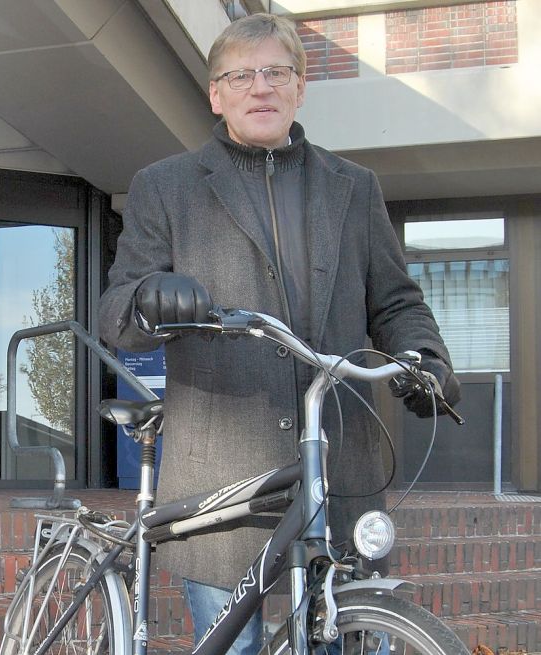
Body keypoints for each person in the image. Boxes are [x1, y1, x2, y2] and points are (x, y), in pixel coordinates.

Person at [98, 12, 460, 654]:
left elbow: (398, 301)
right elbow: (118, 313)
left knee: (336, 638)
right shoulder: (165, 187)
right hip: (222, 478)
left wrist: (425, 356)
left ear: (299, 86)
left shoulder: (355, 187)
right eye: (240, 75)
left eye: (274, 72)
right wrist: (150, 298)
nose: (258, 87)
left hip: (340, 463)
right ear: (216, 94)